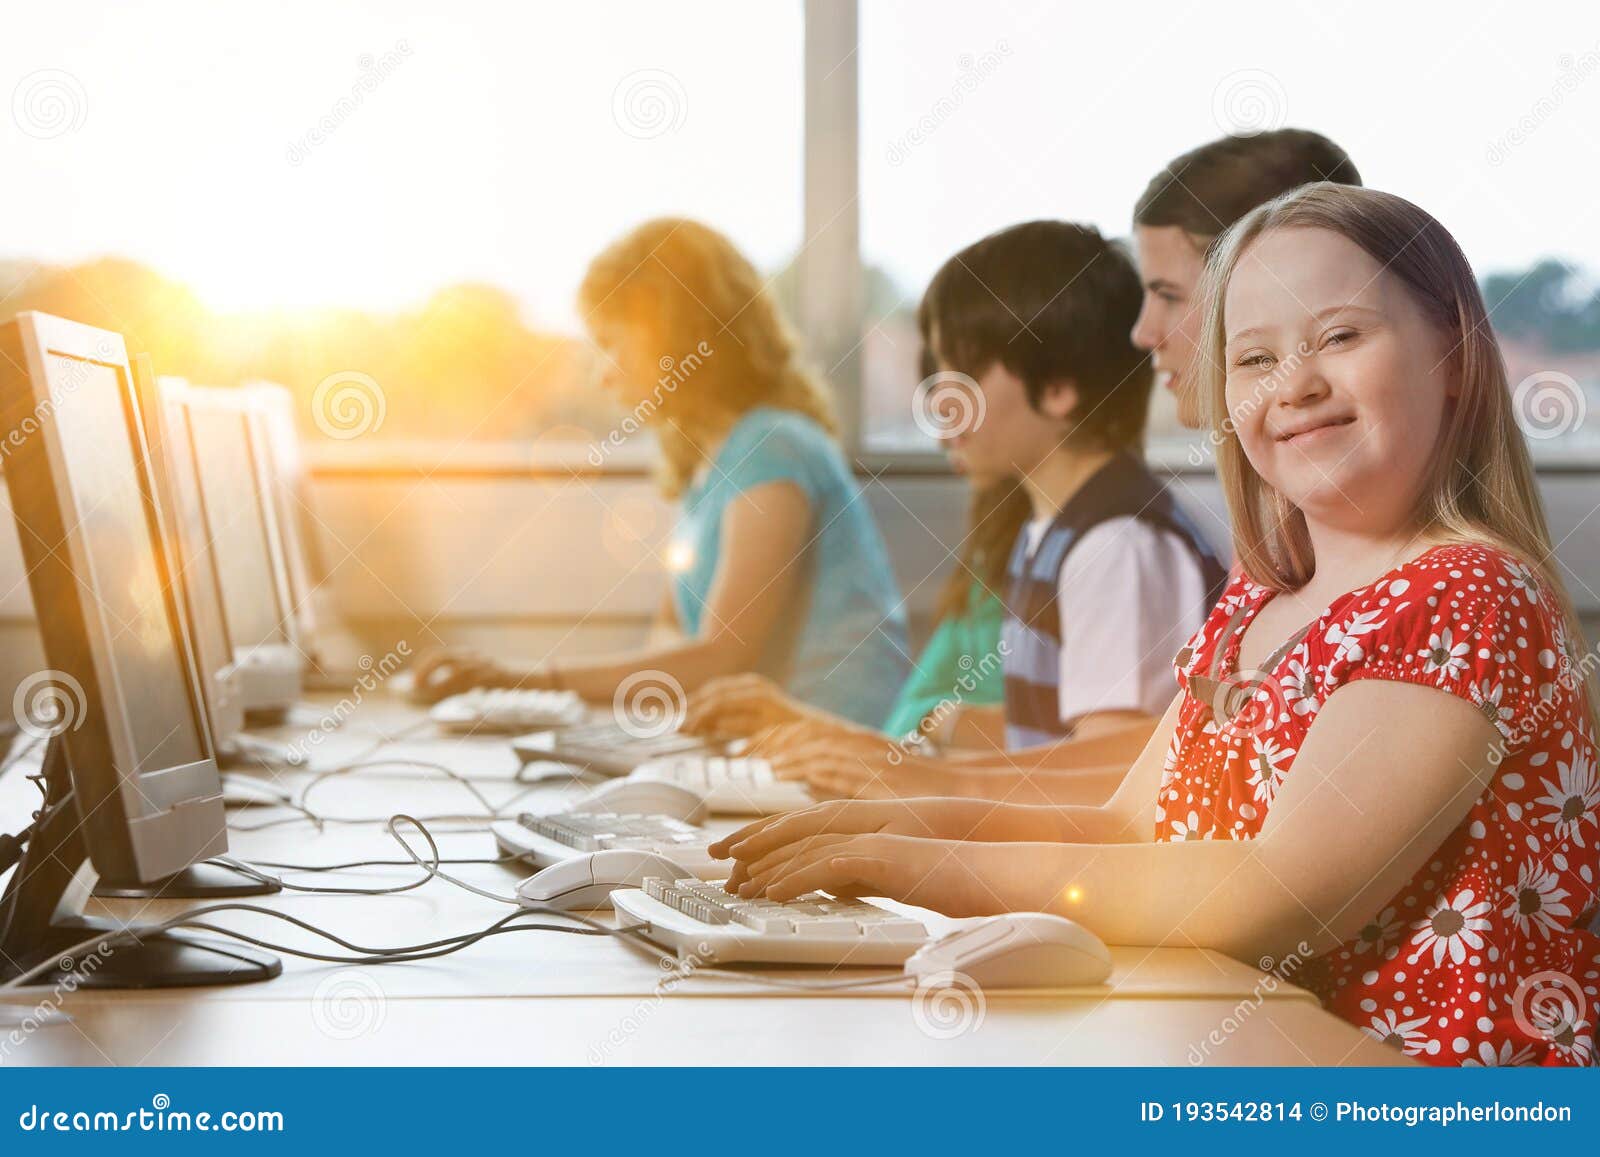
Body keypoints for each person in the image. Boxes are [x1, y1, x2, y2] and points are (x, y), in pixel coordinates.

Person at [711, 184, 1600, 1067]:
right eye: (1255, 359)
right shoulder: (1263, 594)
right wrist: (889, 823)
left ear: (1452, 353)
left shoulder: (1470, 592)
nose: (1297, 383)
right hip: (1256, 1053)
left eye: (1340, 336)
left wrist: (919, 867)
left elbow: (1285, 891)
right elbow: (1132, 826)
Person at [688, 129, 1362, 806]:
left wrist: (913, 786)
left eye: (1169, 295)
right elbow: (1108, 753)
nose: (1143, 330)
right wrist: (898, 755)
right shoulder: (1198, 547)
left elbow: (1121, 786)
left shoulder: (1120, 541)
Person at [410, 218, 909, 727]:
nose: (603, 371)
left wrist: (529, 679)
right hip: (760, 746)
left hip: (836, 747)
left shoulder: (771, 448)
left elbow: (721, 655)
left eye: (612, 341)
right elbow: (673, 635)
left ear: (676, 333)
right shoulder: (709, 467)